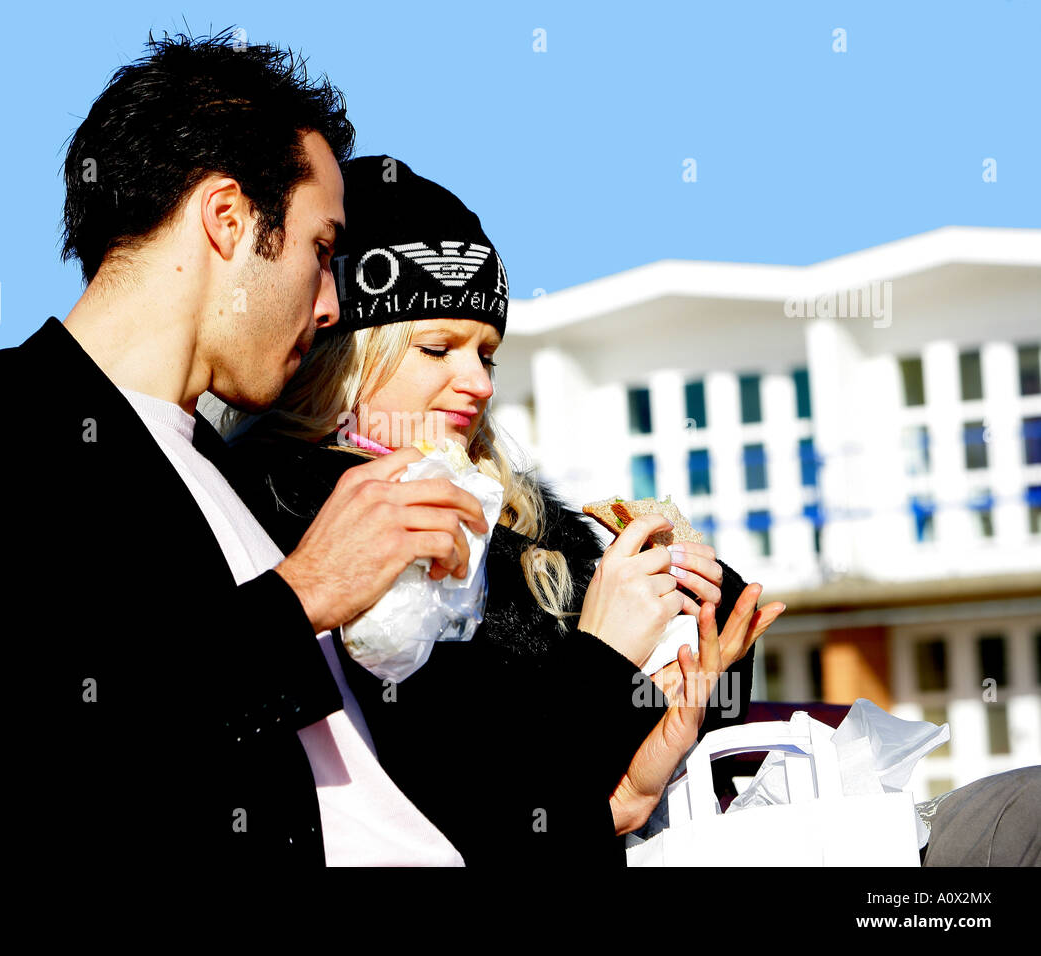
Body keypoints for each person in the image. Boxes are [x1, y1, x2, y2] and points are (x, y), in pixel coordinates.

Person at [0, 34, 494, 878]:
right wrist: (301, 596)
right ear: (227, 219)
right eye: (321, 250)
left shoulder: (227, 472)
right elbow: (5, 750)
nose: (331, 305)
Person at [224, 155, 785, 864]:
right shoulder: (295, 511)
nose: (478, 383)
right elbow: (472, 792)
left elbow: (590, 781)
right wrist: (606, 655)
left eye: (487, 355)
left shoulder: (523, 516)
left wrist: (703, 653)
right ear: (344, 360)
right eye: (438, 348)